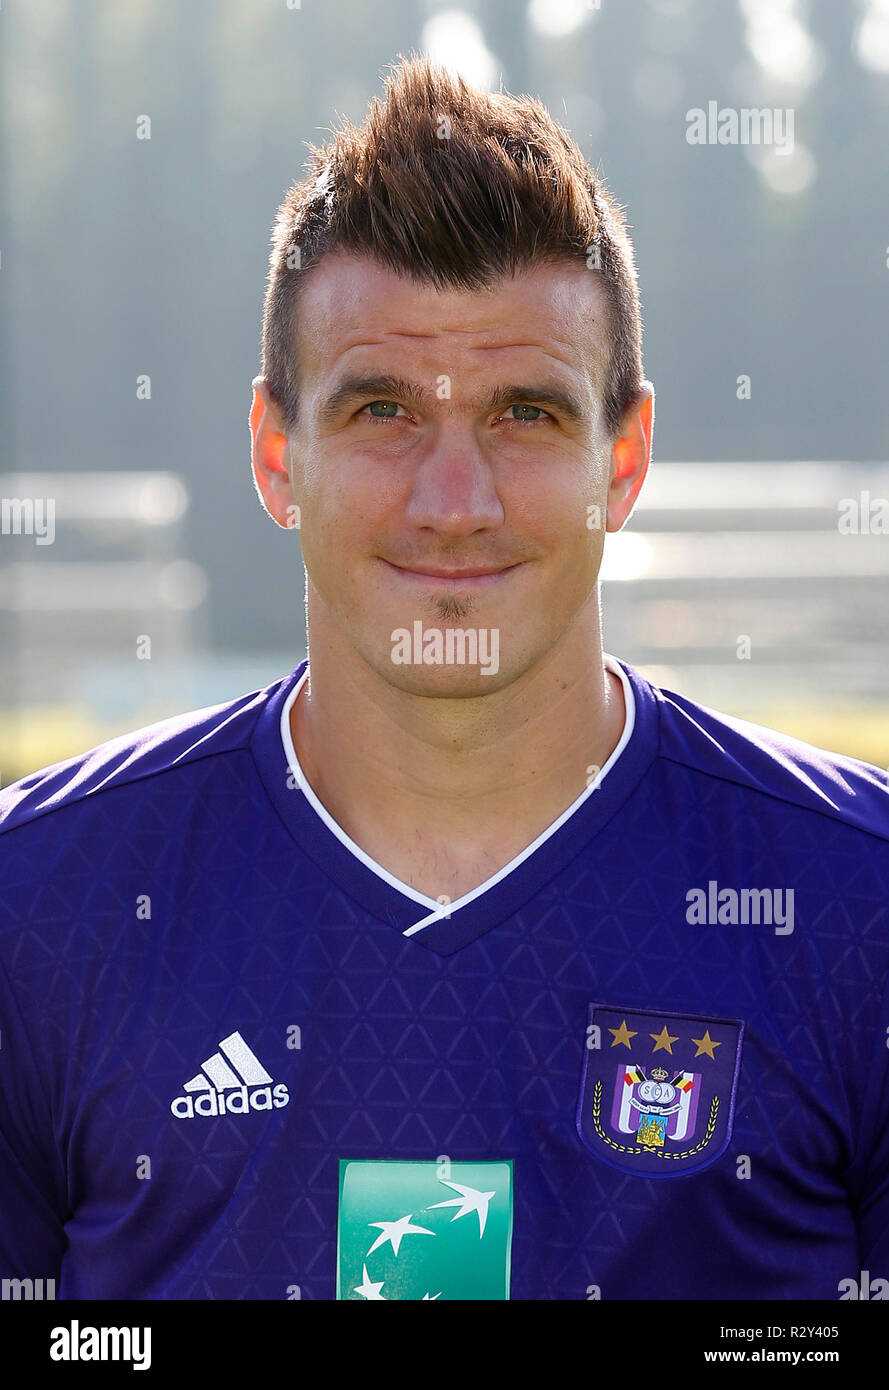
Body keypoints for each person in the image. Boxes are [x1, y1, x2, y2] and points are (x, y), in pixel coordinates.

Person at [1, 55, 887, 1303]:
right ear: (274, 453)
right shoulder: (42, 908)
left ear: (623, 460)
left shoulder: (855, 905)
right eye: (381, 412)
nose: (455, 502)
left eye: (525, 413)